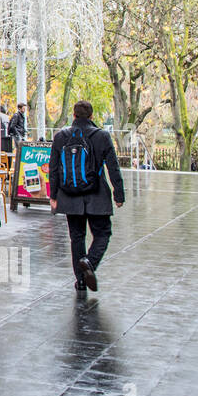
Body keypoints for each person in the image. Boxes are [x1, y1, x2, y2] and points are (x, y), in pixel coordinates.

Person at [49, 100, 124, 293]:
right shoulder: (102, 136)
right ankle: (89, 261)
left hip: (69, 196)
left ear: (74, 116)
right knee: (103, 233)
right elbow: (113, 167)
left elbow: (54, 168)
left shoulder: (61, 137)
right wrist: (118, 193)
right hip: (97, 196)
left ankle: (80, 281)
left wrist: (53, 195)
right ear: (91, 116)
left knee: (77, 237)